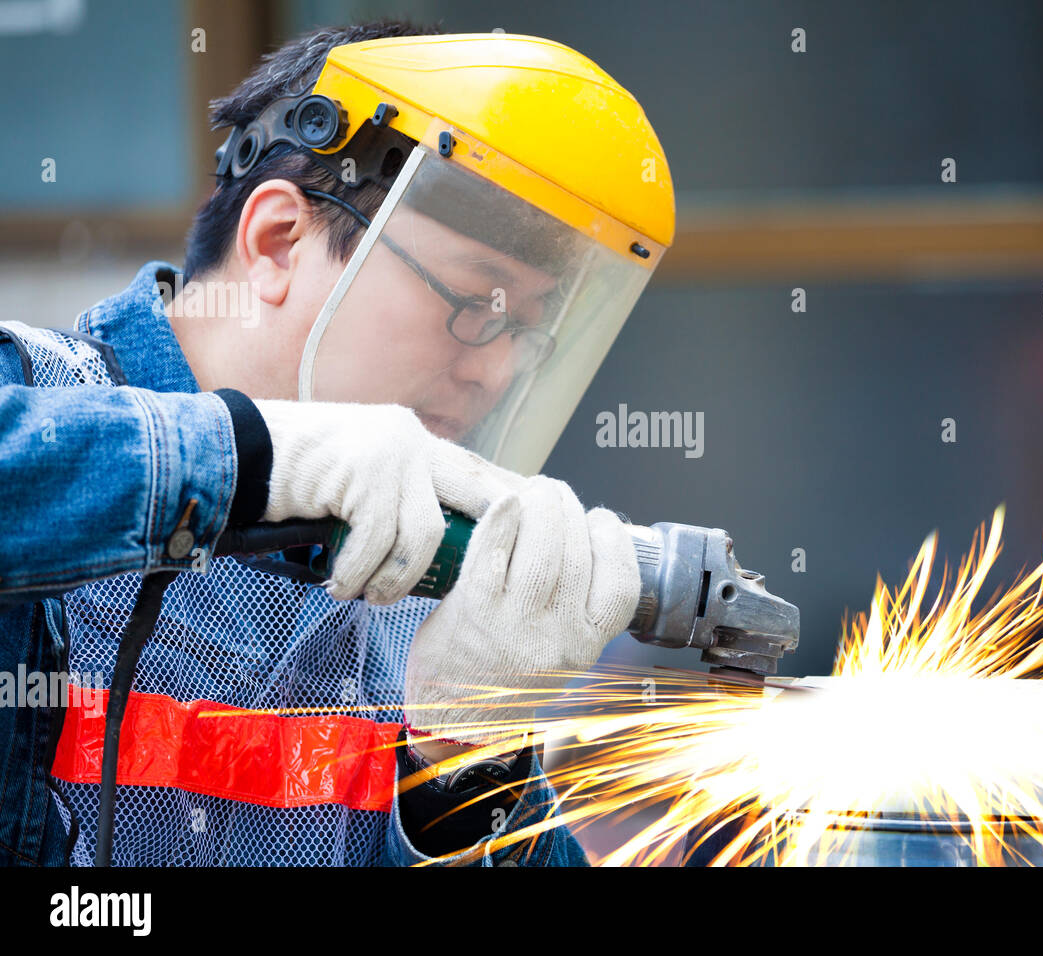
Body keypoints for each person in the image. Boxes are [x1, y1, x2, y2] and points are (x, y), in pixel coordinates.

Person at [0, 20, 675, 866]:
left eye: (529, 336)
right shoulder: (33, 395)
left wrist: (461, 770)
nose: (500, 374)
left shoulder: (434, 593)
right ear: (279, 241)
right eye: (475, 303)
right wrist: (254, 459)